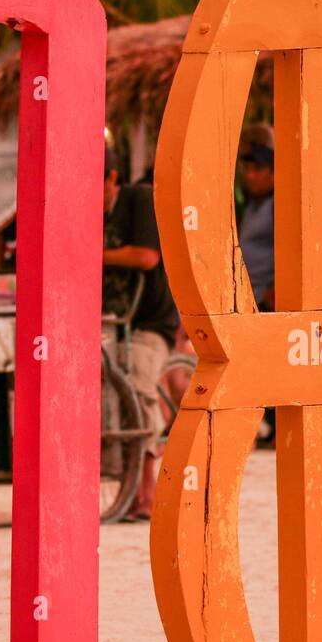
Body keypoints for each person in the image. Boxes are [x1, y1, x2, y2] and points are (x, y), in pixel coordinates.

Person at [103, 145, 180, 520]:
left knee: (138, 386)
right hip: (109, 322)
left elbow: (146, 256)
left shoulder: (138, 199)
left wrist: (92, 253)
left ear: (112, 179)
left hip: (150, 321)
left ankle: (146, 490)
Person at [235, 123, 277, 448]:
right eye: (248, 168)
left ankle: (270, 424)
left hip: (269, 294)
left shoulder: (281, 203)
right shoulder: (251, 204)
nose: (251, 175)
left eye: (258, 168)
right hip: (249, 293)